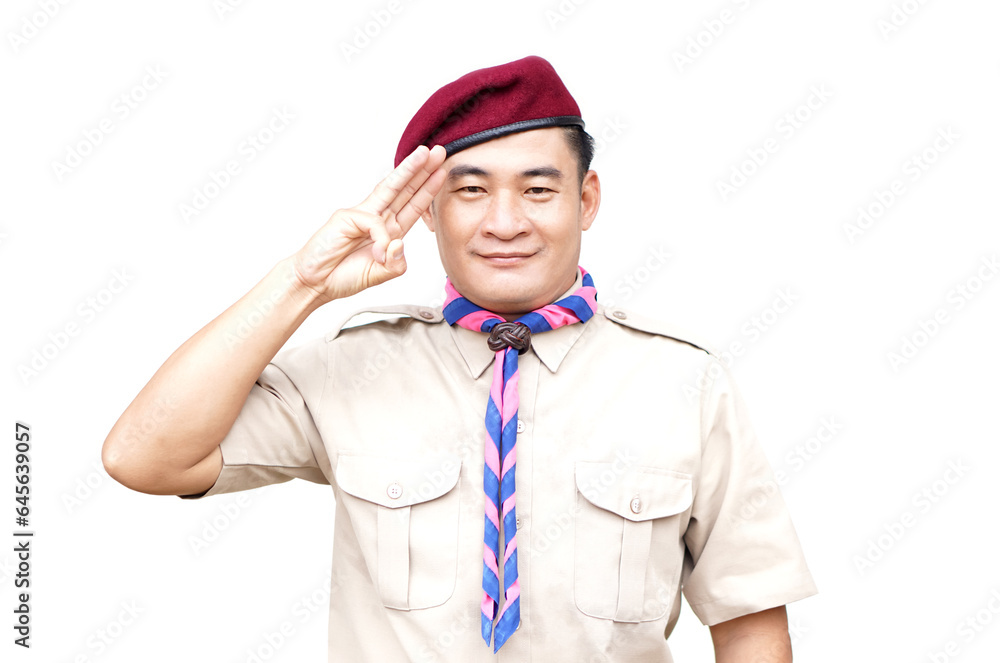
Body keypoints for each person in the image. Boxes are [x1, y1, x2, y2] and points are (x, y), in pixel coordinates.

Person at [103, 55, 817, 662]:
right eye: (470, 191)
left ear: (586, 198)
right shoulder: (356, 367)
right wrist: (303, 282)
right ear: (427, 210)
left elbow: (749, 618)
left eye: (538, 189)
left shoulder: (681, 381)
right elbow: (143, 455)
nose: (504, 223)